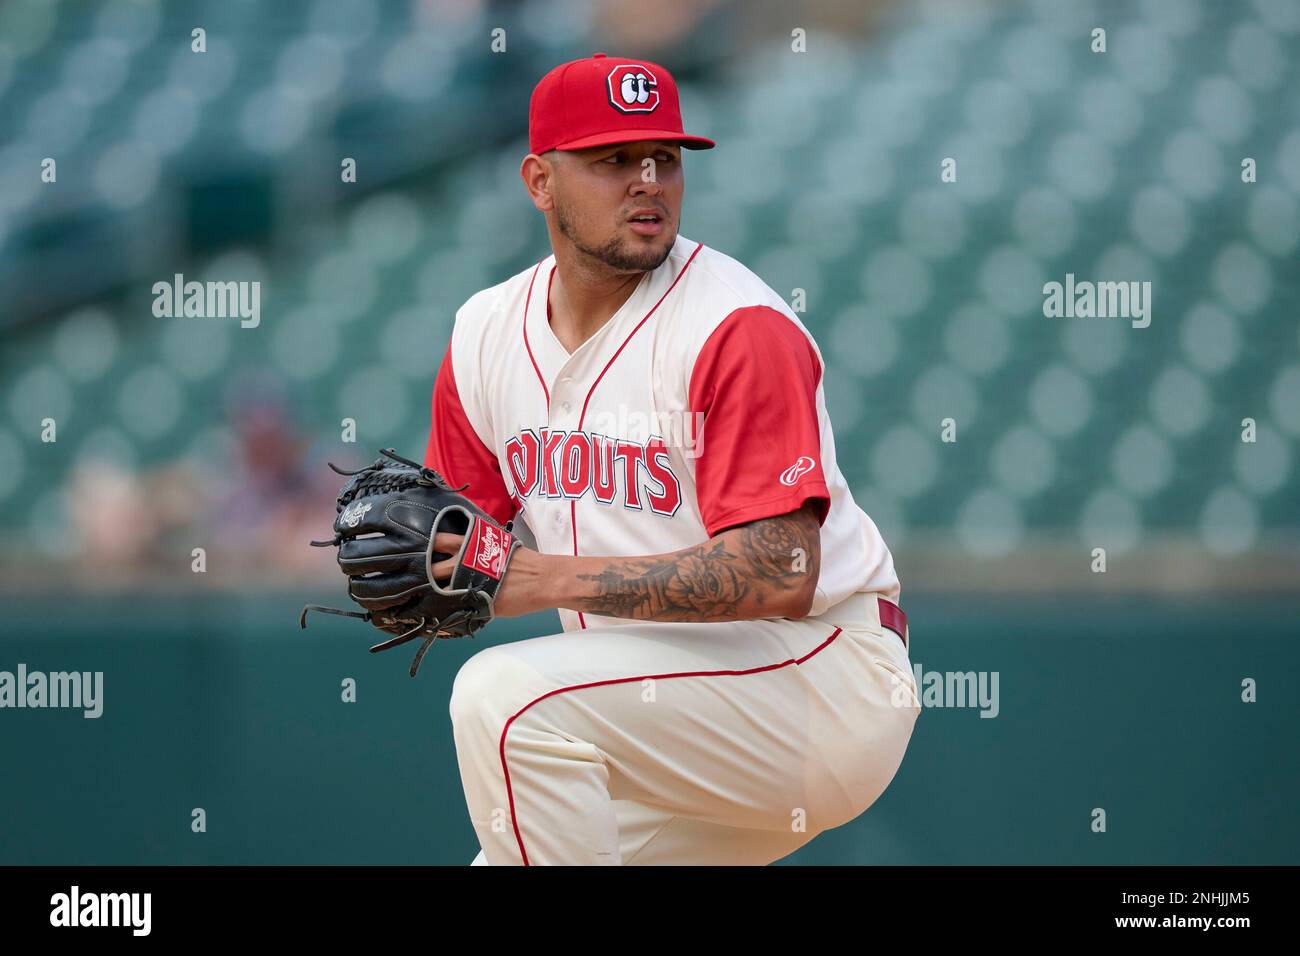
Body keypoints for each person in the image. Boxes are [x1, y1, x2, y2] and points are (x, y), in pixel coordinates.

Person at [424, 53, 919, 865]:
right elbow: (458, 537)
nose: (647, 180)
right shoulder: (484, 333)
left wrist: (534, 580)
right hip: (655, 712)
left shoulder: (734, 325)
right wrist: (420, 571)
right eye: (612, 159)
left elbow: (782, 569)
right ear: (539, 182)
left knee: (504, 701)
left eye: (665, 158)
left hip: (817, 681)